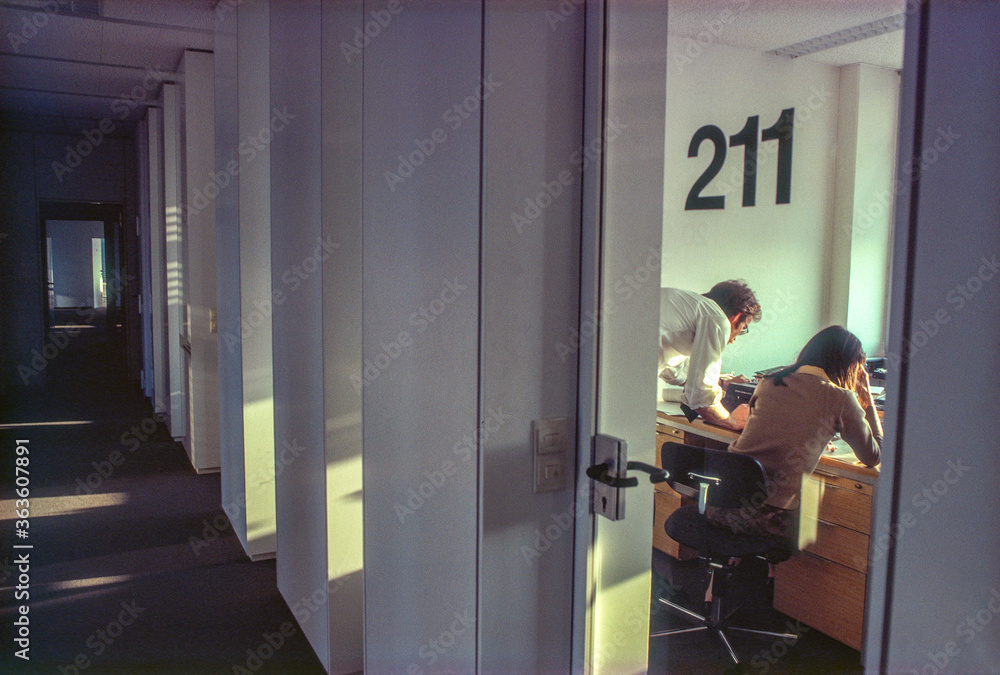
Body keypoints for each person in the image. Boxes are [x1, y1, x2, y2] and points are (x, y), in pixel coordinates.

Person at [706, 325, 883, 540]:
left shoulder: (769, 381)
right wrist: (867, 400)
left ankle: (744, 565)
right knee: (816, 525)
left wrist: (809, 437)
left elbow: (763, 426)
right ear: (851, 367)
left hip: (718, 501)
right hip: (767, 518)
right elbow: (874, 456)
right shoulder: (841, 397)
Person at [659, 280, 761, 431]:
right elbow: (701, 398)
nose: (733, 340)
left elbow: (671, 369)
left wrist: (720, 382)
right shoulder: (717, 318)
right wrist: (733, 422)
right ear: (737, 316)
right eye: (743, 328)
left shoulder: (686, 305)